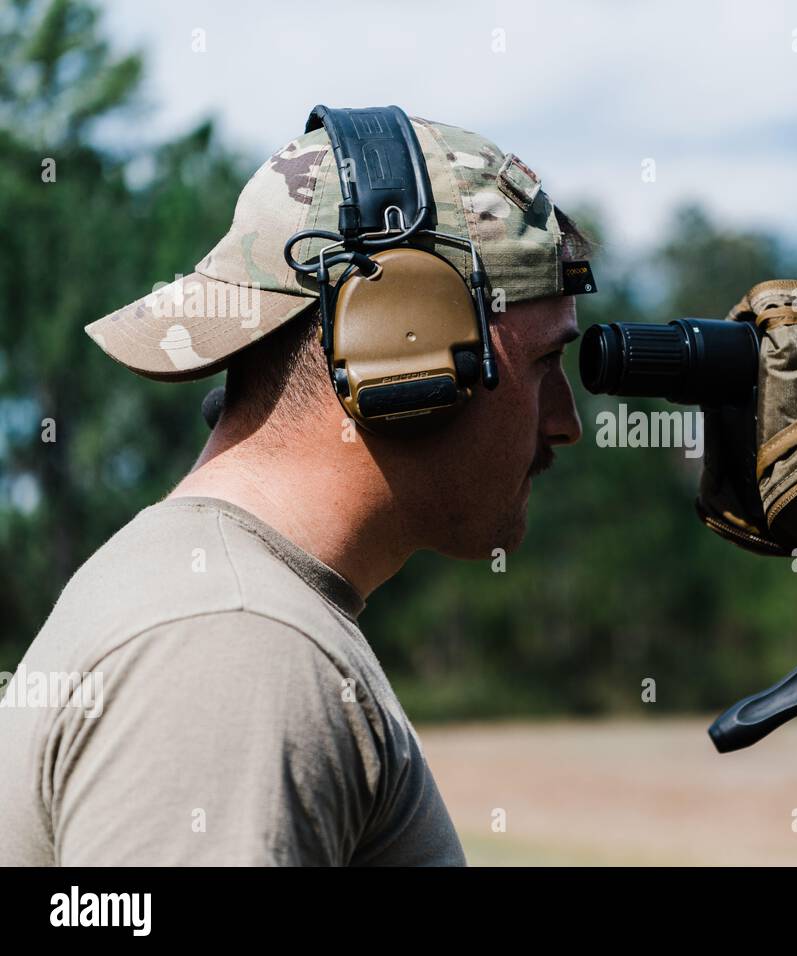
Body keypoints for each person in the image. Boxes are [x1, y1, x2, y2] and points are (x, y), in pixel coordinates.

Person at [0, 110, 592, 865]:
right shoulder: (235, 644)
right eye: (546, 363)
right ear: (402, 341)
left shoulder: (227, 608)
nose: (567, 421)